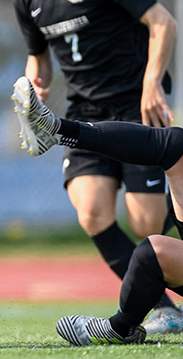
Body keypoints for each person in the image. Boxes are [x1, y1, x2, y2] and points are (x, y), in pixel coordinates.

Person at [12, 0, 182, 333]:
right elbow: (40, 60)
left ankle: (168, 278)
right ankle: (164, 309)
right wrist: (35, 87)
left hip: (136, 107)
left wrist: (152, 85)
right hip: (84, 110)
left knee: (146, 221)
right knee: (91, 212)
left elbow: (163, 23)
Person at [12, 75, 183, 345]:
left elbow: (164, 29)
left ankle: (119, 328)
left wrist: (151, 79)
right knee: (153, 253)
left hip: (126, 99)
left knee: (150, 246)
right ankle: (57, 130)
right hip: (90, 106)